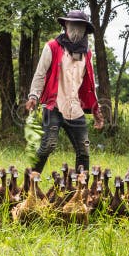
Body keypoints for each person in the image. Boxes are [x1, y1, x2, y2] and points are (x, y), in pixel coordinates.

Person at [25, 10, 104, 173]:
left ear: (84, 29)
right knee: (48, 145)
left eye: (79, 25)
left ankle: (81, 191)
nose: (75, 28)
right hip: (54, 105)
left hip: (75, 108)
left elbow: (90, 84)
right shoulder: (52, 47)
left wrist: (97, 111)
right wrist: (34, 95)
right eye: (72, 24)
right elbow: (40, 74)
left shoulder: (87, 54)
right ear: (66, 25)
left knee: (84, 150)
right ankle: (31, 183)